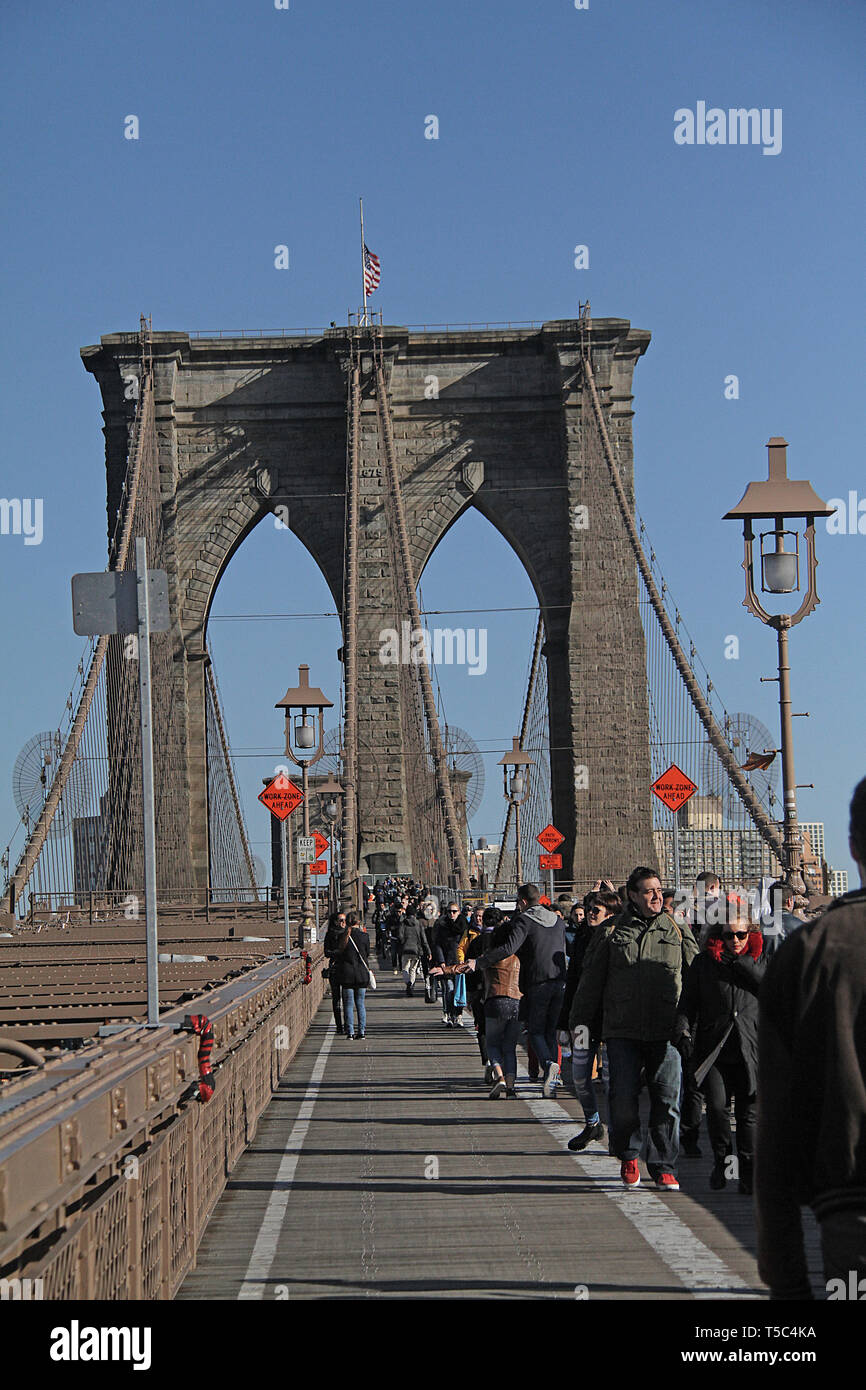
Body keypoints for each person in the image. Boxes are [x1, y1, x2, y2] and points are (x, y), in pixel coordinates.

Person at [755, 776, 866, 1299]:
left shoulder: (809, 951)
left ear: (852, 847)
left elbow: (775, 1123)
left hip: (851, 1210)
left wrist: (787, 1279)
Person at [571, 866, 698, 1190]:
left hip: (666, 1030)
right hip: (622, 1031)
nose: (657, 896)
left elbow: (697, 977)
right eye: (648, 891)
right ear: (632, 895)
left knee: (667, 1100)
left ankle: (663, 1165)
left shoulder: (676, 929)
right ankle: (629, 1155)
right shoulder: (611, 933)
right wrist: (580, 1029)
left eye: (658, 890)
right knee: (623, 1098)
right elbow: (590, 986)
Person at [675, 892, 764, 1193]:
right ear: (719, 934)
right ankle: (723, 1161)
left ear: (750, 933)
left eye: (741, 934)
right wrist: (683, 1031)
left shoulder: (760, 959)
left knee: (748, 1115)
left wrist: (741, 963)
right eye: (729, 935)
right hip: (714, 1050)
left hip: (749, 1049)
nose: (735, 940)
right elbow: (687, 1003)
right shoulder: (704, 964)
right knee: (716, 1109)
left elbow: (771, 991)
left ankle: (749, 1170)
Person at [467, 883, 567, 1096]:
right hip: (559, 982)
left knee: (536, 1031)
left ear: (522, 902)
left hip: (537, 982)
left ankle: (549, 1065)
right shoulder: (558, 921)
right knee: (550, 1032)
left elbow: (509, 948)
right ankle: (552, 1083)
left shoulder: (525, 920)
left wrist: (480, 962)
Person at [559, 888, 621, 1150]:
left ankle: (618, 1132)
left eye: (596, 910)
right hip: (584, 1018)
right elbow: (572, 981)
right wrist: (563, 1023)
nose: (589, 914)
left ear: (611, 915)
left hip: (612, 1020)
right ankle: (592, 1123)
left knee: (612, 1081)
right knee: (580, 1075)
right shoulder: (582, 939)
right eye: (589, 909)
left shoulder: (621, 939)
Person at [332, 910, 371, 1040]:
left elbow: (339, 953)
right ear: (358, 922)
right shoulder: (364, 936)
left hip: (347, 974)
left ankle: (350, 1032)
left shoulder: (343, 936)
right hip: (361, 975)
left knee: (348, 1005)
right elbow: (367, 954)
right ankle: (362, 1032)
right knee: (360, 1003)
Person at [432, 902, 469, 1026]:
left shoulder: (464, 925)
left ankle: (458, 1015)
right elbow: (437, 944)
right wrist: (441, 960)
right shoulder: (441, 926)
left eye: (454, 911)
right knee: (449, 989)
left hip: (460, 963)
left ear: (459, 912)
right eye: (449, 912)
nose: (452, 914)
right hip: (446, 963)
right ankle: (449, 1013)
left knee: (459, 991)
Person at [322, 908, 347, 1034]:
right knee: (336, 999)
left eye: (345, 920)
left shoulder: (348, 933)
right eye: (341, 920)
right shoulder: (330, 934)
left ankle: (347, 1025)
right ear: (336, 922)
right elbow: (326, 952)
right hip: (335, 969)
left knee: (347, 998)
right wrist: (338, 953)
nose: (343, 922)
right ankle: (339, 1026)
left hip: (346, 969)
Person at [398, 902, 430, 995]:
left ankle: (408, 982)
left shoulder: (403, 923)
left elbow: (400, 936)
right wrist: (428, 951)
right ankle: (411, 985)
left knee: (405, 969)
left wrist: (403, 942)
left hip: (405, 949)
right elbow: (423, 939)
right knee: (413, 969)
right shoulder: (418, 924)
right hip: (416, 950)